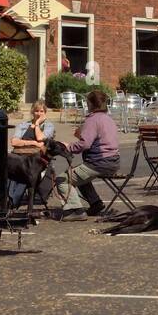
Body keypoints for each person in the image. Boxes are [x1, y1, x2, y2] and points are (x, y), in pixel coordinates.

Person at [57, 89, 121, 221]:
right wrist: (81, 135)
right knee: (79, 175)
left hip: (99, 163)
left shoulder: (92, 120)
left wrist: (68, 147)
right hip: (113, 161)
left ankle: (75, 210)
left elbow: (85, 145)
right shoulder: (108, 119)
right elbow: (100, 139)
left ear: (90, 104)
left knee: (62, 179)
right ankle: (96, 204)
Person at [8, 101, 58, 207]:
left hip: (37, 160)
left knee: (28, 172)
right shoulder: (23, 125)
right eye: (36, 111)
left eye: (41, 111)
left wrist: (36, 124)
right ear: (32, 112)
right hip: (20, 157)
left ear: (45, 113)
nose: (39, 113)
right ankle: (9, 199)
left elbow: (41, 139)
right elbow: (14, 142)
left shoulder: (49, 126)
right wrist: (33, 143)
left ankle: (14, 201)